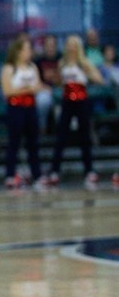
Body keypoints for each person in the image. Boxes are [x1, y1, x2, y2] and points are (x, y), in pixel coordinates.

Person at [47, 35, 104, 186]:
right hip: (67, 102)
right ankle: (54, 171)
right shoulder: (62, 63)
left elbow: (99, 79)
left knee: (84, 136)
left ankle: (89, 170)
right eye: (69, 44)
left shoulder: (84, 63)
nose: (71, 47)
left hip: (82, 101)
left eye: (74, 45)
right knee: (61, 136)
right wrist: (56, 79)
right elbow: (59, 83)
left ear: (78, 47)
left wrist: (88, 73)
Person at [0, 36, 45, 189]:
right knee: (14, 142)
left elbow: (38, 86)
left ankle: (37, 174)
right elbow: (7, 91)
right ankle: (10, 175)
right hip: (15, 109)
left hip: (31, 108)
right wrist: (27, 89)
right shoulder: (9, 68)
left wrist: (25, 90)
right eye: (26, 49)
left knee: (33, 143)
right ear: (18, 51)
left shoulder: (33, 67)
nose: (29, 52)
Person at [34, 34, 61, 133]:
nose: (50, 48)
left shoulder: (61, 59)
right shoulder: (37, 62)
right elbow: (35, 80)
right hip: (43, 90)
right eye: (48, 45)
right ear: (44, 47)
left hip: (60, 89)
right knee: (42, 101)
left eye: (52, 45)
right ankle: (42, 128)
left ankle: (62, 131)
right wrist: (46, 88)